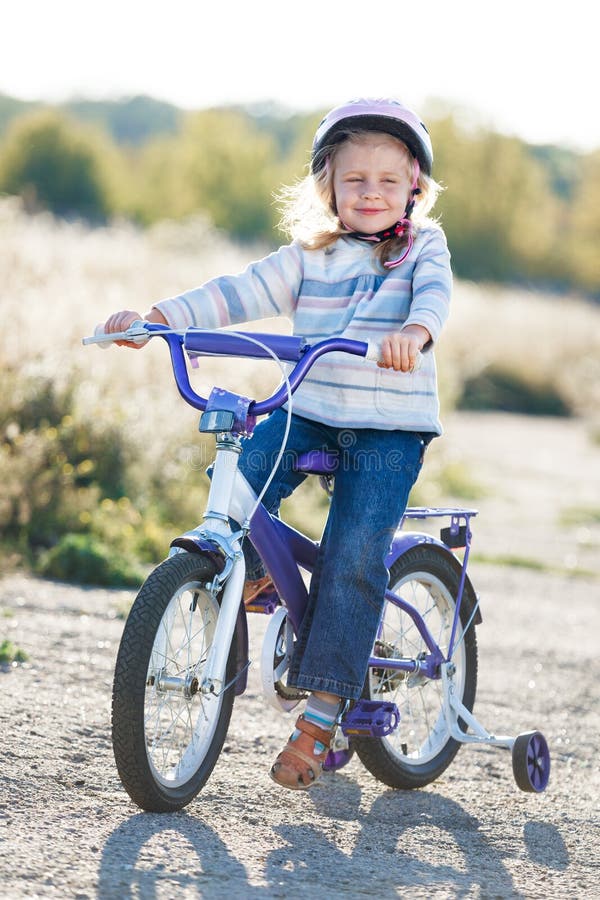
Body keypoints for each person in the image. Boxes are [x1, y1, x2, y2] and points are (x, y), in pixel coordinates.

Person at [104, 98, 451, 791]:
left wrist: (413, 336)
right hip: (314, 405)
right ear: (328, 185)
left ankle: (321, 713)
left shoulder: (422, 247)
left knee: (355, 550)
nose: (372, 192)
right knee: (247, 469)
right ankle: (245, 559)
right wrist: (159, 318)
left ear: (413, 185)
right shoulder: (310, 256)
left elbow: (434, 298)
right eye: (355, 180)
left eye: (388, 180)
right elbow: (239, 291)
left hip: (392, 423)